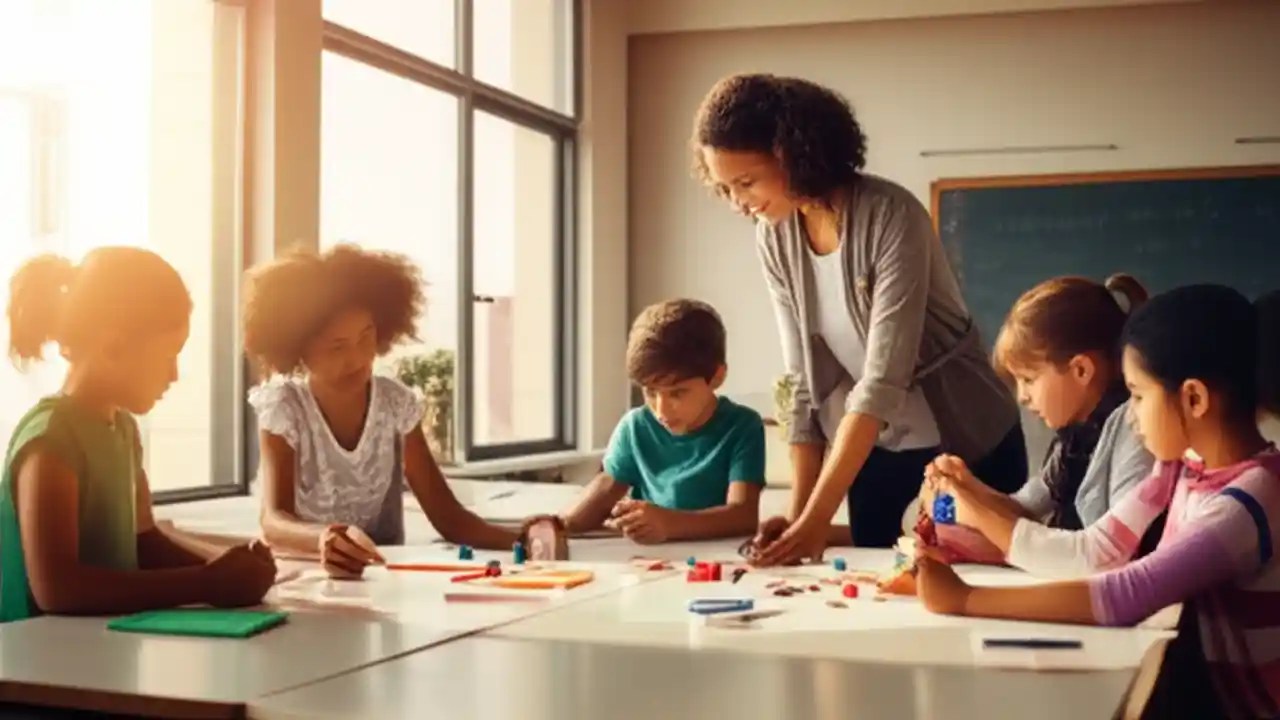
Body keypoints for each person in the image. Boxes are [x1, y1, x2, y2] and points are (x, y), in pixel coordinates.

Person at [691, 73, 1025, 559]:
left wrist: (816, 521)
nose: (739, 202)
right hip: (877, 451)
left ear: (794, 155)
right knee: (879, 583)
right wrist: (800, 519)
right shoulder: (775, 235)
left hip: (966, 448)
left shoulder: (892, 216)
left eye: (746, 182)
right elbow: (802, 385)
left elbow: (880, 382)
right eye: (725, 190)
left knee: (959, 589)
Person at [917, 284, 1280, 719]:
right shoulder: (1182, 467)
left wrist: (965, 599)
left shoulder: (1249, 501)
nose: (1131, 415)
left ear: (1194, 399)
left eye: (1139, 397)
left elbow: (1129, 593)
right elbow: (1101, 550)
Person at [1, 248, 276, 621]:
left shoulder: (124, 431)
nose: (174, 374)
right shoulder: (51, 440)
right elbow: (58, 589)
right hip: (48, 661)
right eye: (167, 355)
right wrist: (205, 584)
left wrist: (231, 568)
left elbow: (144, 542)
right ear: (112, 347)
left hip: (111, 648)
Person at [244, 244, 529, 578]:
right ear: (299, 349)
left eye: (367, 337)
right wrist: (323, 539)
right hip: (310, 578)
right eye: (338, 346)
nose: (359, 358)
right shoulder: (284, 408)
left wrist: (526, 542)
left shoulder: (395, 405)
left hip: (384, 577)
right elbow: (274, 520)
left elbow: (449, 517)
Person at [919, 275, 1157, 563]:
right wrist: (963, 485)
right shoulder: (1074, 438)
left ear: (1081, 370)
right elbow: (1026, 509)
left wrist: (970, 507)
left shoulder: (1135, 428)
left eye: (1029, 379)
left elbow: (1110, 556)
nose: (1022, 396)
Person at [559, 300, 765, 543]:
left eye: (677, 393)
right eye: (650, 392)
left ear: (717, 376)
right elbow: (596, 501)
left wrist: (669, 524)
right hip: (648, 562)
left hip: (715, 562)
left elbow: (743, 516)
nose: (661, 410)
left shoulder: (742, 426)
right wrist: (545, 530)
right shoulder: (635, 428)